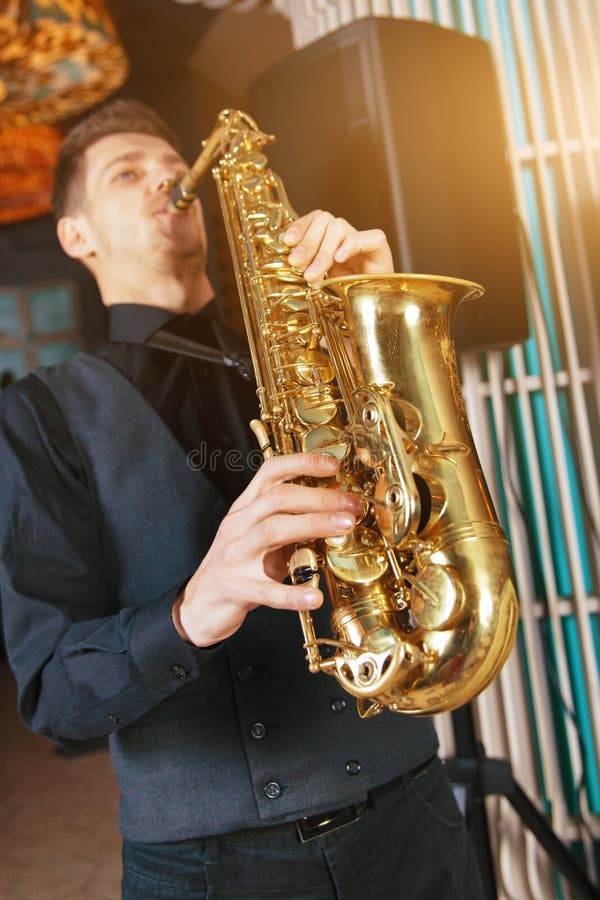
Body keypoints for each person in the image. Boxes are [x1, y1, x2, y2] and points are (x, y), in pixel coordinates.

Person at [0, 100, 485, 899]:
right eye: (127, 173)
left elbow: (427, 503)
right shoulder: (40, 415)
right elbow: (54, 693)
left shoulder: (320, 348)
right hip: (208, 866)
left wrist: (376, 337)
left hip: (414, 814)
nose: (164, 176)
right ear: (75, 235)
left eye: (168, 162)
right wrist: (193, 607)